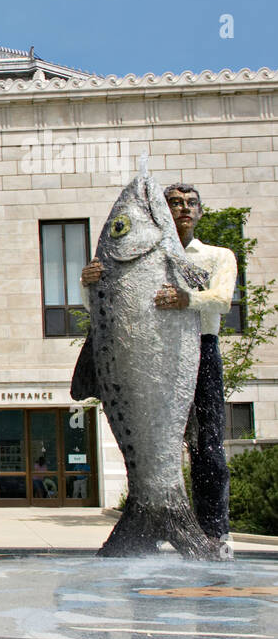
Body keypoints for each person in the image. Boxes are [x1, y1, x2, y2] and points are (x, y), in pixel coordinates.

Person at [82, 182, 237, 539]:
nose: (184, 208)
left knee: (208, 448)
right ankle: (149, 523)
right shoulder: (137, 254)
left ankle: (216, 536)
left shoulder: (217, 256)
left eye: (191, 203)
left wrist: (188, 300)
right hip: (149, 355)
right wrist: (87, 283)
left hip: (200, 350)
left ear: (200, 211)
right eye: (175, 203)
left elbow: (223, 300)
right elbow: (104, 309)